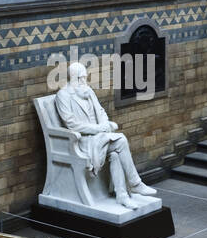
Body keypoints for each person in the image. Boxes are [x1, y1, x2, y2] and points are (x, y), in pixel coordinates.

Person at [54, 62, 158, 209]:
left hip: (99, 137)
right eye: (82, 78)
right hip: (82, 140)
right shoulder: (63, 95)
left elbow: (101, 111)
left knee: (115, 154)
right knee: (121, 139)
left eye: (85, 77)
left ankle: (122, 196)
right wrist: (98, 129)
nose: (85, 80)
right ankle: (135, 184)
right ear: (74, 78)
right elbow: (71, 124)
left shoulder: (87, 91)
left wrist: (105, 125)